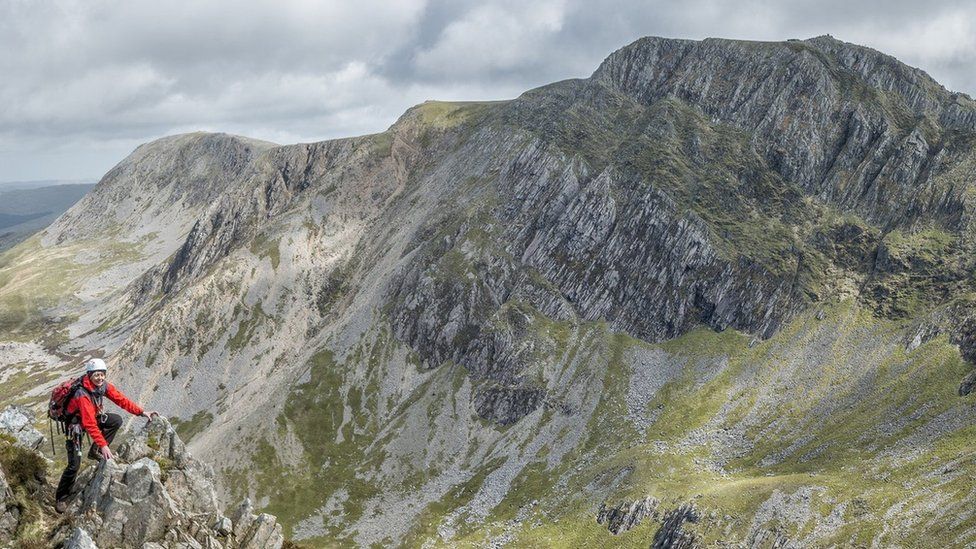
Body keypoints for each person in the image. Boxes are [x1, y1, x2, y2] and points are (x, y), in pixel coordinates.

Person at [54, 358, 158, 512]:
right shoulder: (82, 394)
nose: (100, 378)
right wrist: (103, 445)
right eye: (96, 375)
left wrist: (141, 412)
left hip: (89, 418)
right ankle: (61, 498)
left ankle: (94, 451)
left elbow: (121, 400)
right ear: (89, 375)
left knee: (116, 420)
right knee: (74, 465)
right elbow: (89, 423)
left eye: (102, 374)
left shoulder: (102, 386)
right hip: (74, 427)